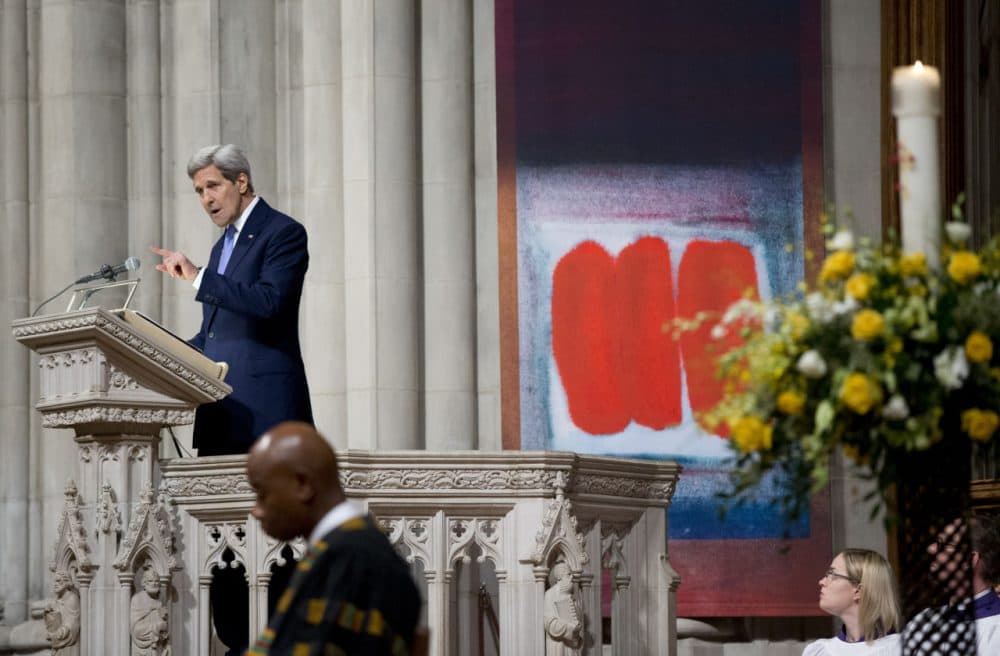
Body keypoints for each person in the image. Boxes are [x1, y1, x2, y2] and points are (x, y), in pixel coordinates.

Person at [150, 144, 312, 456]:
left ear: (240, 182)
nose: (206, 199)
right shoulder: (220, 247)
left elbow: (270, 301)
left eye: (212, 186)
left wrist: (198, 275)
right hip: (220, 412)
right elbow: (215, 333)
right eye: (198, 191)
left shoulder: (282, 232)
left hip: (266, 412)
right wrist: (156, 352)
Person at [245, 422, 422, 656]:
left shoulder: (350, 558)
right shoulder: (342, 549)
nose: (255, 510)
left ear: (303, 485)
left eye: (262, 493)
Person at [802, 549, 901, 656]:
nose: (821, 582)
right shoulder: (817, 651)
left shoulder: (899, 649)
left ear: (858, 590)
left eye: (832, 574)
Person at [130, 567, 170, 655]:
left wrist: (163, 620)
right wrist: (155, 627)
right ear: (144, 583)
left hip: (159, 646)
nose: (154, 584)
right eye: (150, 581)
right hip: (142, 648)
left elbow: (165, 627)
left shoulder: (160, 600)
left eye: (156, 581)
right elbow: (135, 629)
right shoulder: (137, 599)